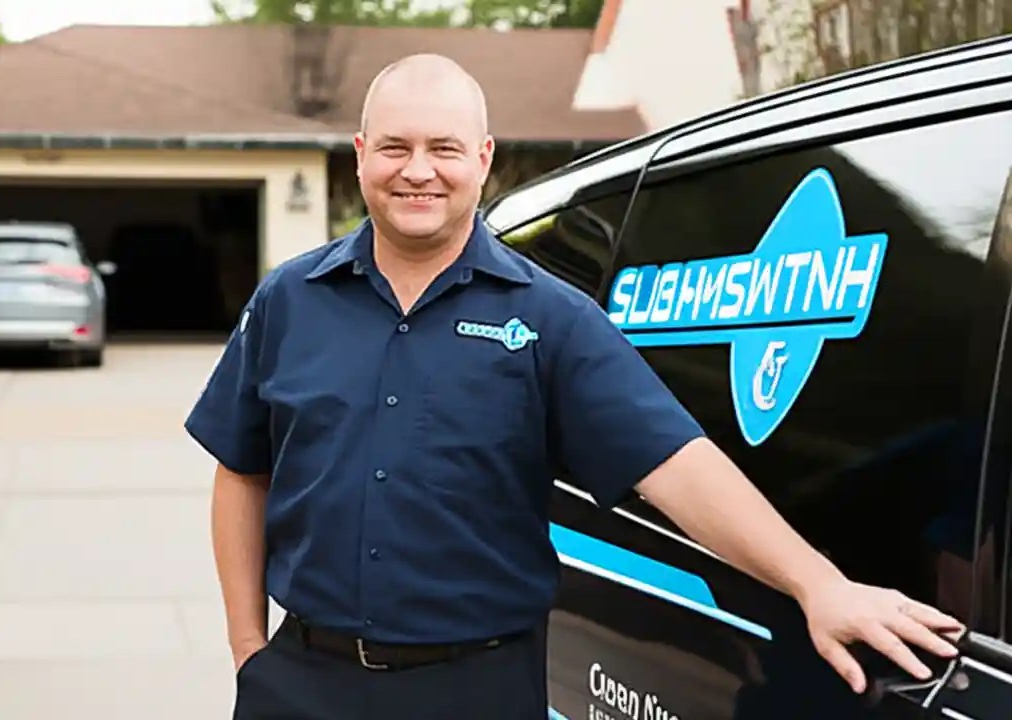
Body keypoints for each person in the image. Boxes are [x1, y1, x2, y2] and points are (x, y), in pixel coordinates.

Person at [184, 53, 964, 719]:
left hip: (476, 688)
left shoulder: (550, 320)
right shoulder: (288, 301)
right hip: (302, 682)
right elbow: (242, 471)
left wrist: (818, 584)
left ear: (482, 159)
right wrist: (249, 648)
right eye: (395, 146)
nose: (418, 170)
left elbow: (677, 464)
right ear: (360, 154)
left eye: (443, 149)